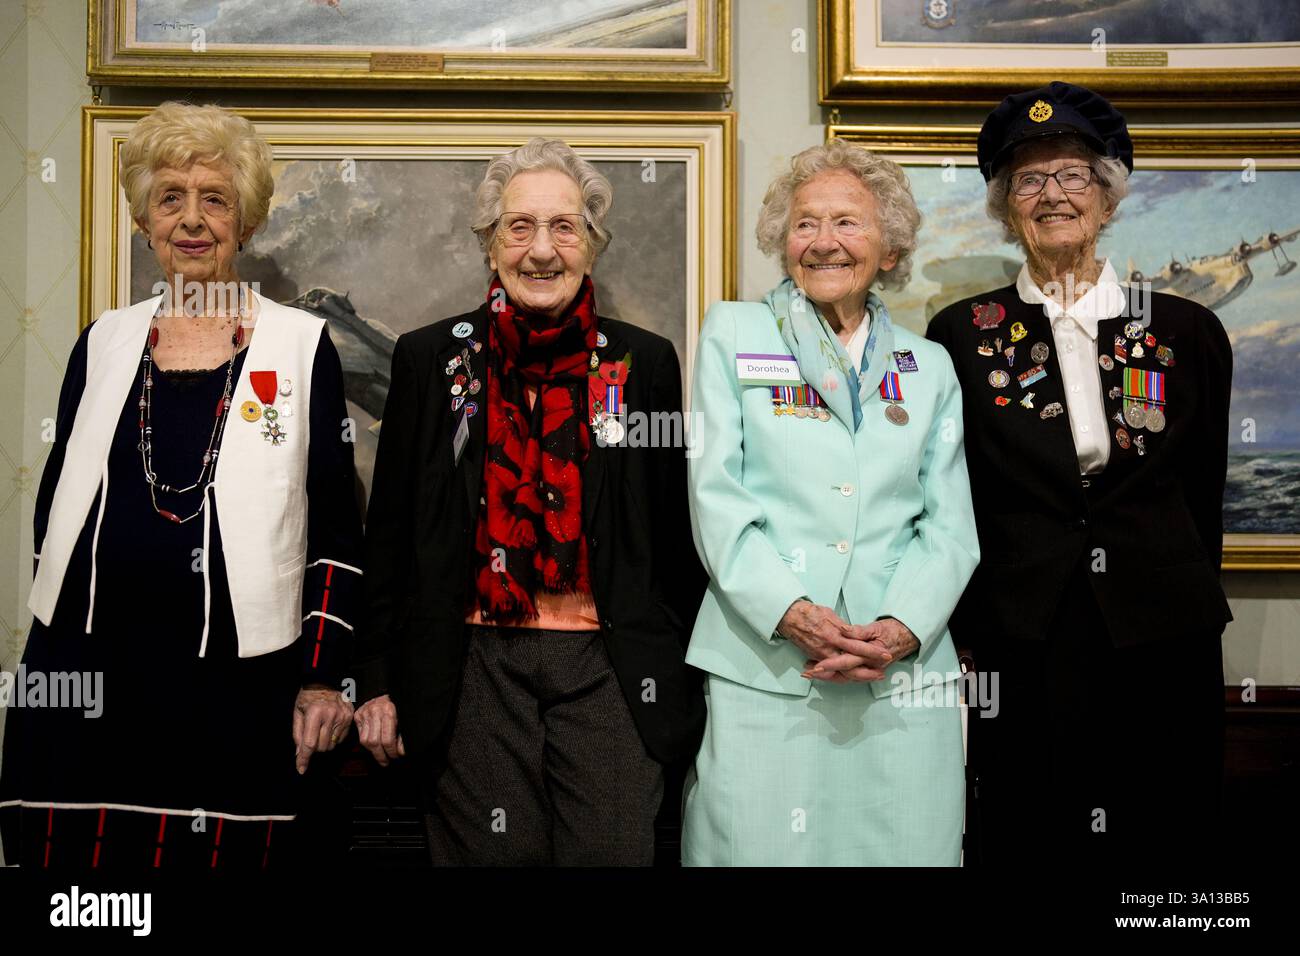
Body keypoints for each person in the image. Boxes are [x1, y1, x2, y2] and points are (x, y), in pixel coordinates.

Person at [0, 102, 362, 868]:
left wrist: (326, 677)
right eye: (171, 198)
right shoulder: (102, 342)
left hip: (240, 693)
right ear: (144, 219)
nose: (191, 220)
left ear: (248, 221)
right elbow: (54, 511)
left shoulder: (301, 347)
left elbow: (336, 531)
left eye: (215, 198)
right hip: (88, 683)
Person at [353, 137, 705, 866]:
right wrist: (379, 680)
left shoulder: (644, 362)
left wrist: (683, 677)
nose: (541, 250)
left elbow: (671, 538)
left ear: (591, 245)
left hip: (610, 664)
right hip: (471, 664)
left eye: (564, 227)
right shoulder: (431, 359)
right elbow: (389, 531)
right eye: (519, 227)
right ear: (490, 243)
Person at [926, 81, 1233, 867]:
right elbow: (952, 491)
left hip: (1162, 626)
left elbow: (1201, 493)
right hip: (1022, 631)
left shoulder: (1186, 330)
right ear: (1004, 206)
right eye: (1028, 179)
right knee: (1031, 830)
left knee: (1165, 831)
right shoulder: (959, 335)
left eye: (1073, 174)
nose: (1053, 194)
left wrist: (1183, 591)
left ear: (1107, 198)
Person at [682, 139, 979, 866]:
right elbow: (716, 497)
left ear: (889, 249)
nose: (823, 243)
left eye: (848, 223)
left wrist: (901, 627)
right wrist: (794, 612)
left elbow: (950, 526)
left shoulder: (930, 365)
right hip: (772, 666)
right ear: (782, 241)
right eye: (805, 223)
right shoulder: (732, 334)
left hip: (900, 678)